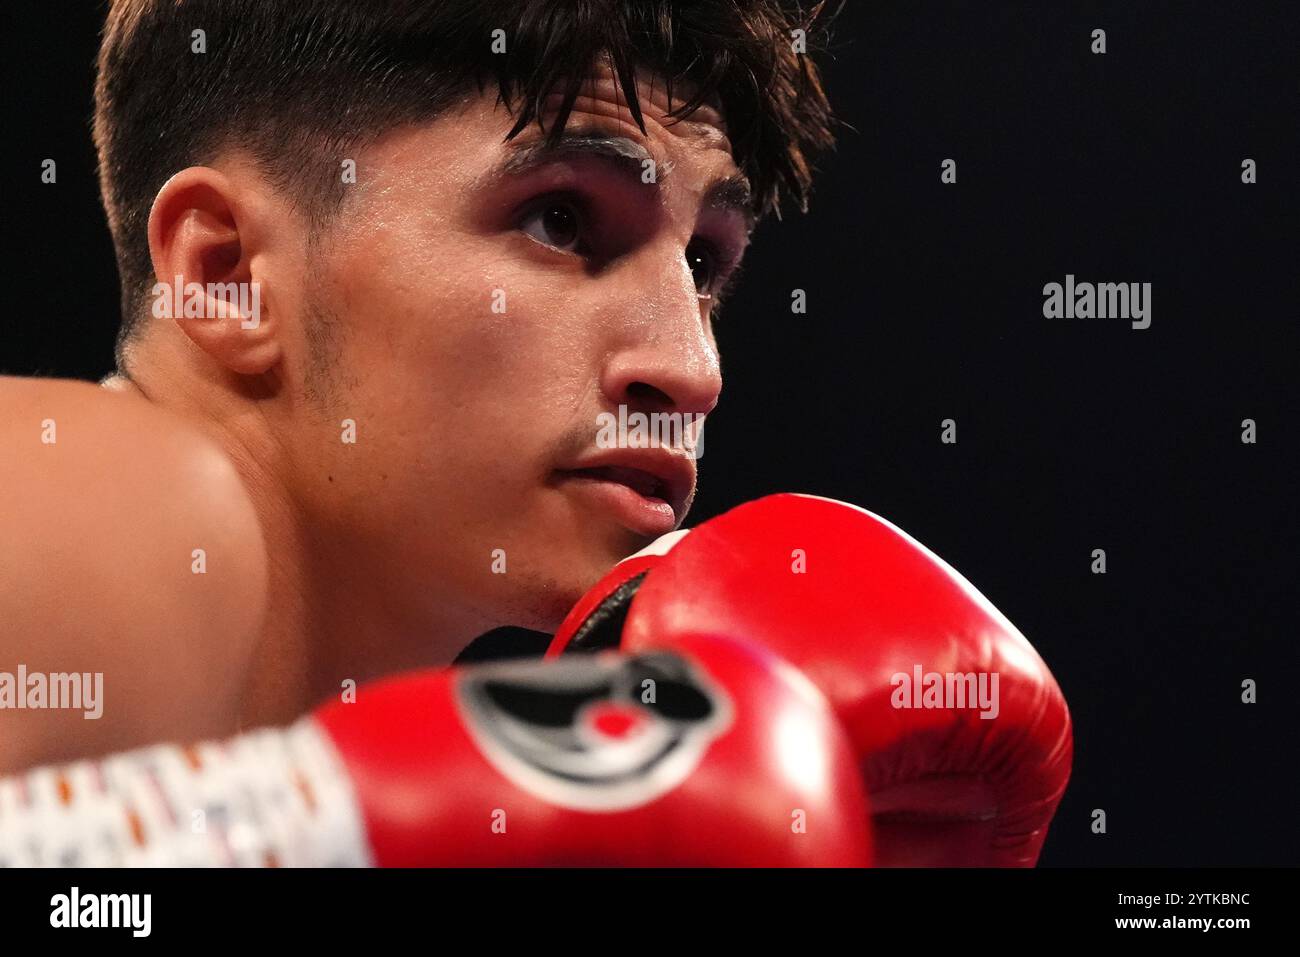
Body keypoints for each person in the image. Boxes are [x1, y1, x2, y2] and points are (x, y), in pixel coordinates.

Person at [0, 0, 838, 773]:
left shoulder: (379, 789)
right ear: (229, 276)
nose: (693, 371)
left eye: (703, 264)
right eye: (562, 221)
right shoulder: (114, 495)